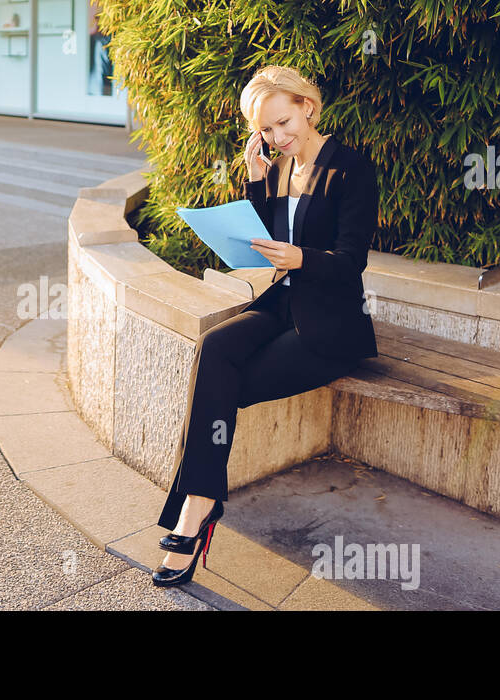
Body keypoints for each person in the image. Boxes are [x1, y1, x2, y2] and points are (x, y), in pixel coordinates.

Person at [152, 65, 380, 587]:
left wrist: (301, 258)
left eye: (284, 122)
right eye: (267, 131)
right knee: (214, 349)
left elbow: (350, 263)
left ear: (307, 106)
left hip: (330, 323)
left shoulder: (351, 170)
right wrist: (257, 182)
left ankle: (194, 514)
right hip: (283, 301)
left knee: (218, 390)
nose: (279, 138)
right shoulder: (276, 170)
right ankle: (201, 503)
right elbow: (268, 238)